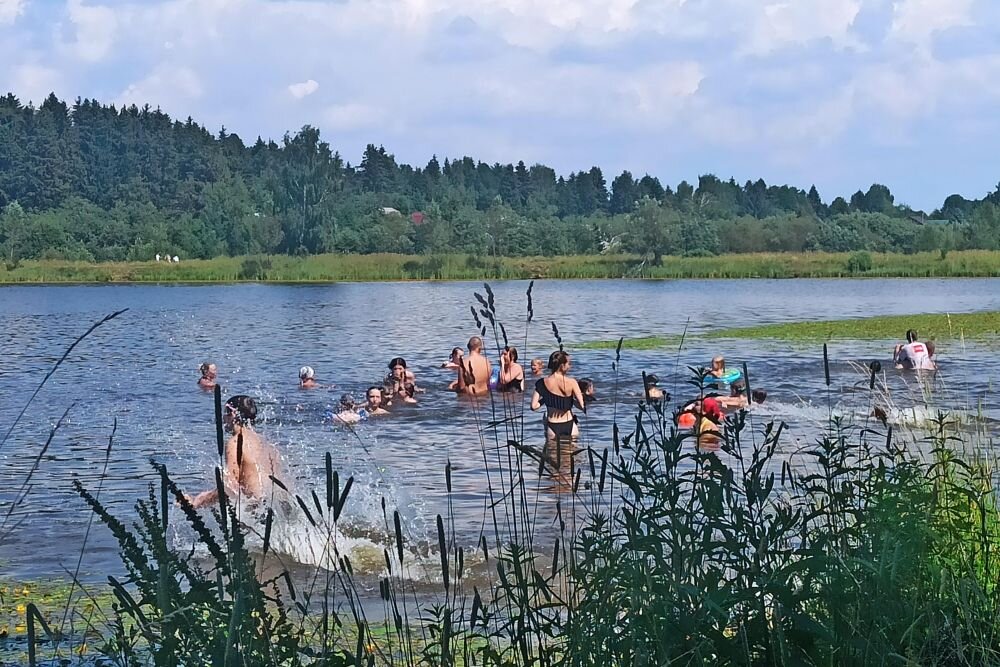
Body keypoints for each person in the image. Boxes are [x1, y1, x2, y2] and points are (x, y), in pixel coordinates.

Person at [187, 395, 281, 508]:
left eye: (225, 412)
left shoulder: (235, 442)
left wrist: (198, 501)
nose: (223, 418)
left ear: (233, 414)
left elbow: (229, 488)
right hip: (277, 506)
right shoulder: (265, 442)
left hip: (258, 508)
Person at [531, 350, 585, 442]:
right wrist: (571, 401)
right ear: (562, 365)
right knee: (571, 455)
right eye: (568, 364)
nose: (569, 366)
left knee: (553, 455)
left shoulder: (541, 383)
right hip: (570, 424)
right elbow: (582, 406)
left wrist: (545, 398)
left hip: (552, 425)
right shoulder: (572, 382)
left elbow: (534, 407)